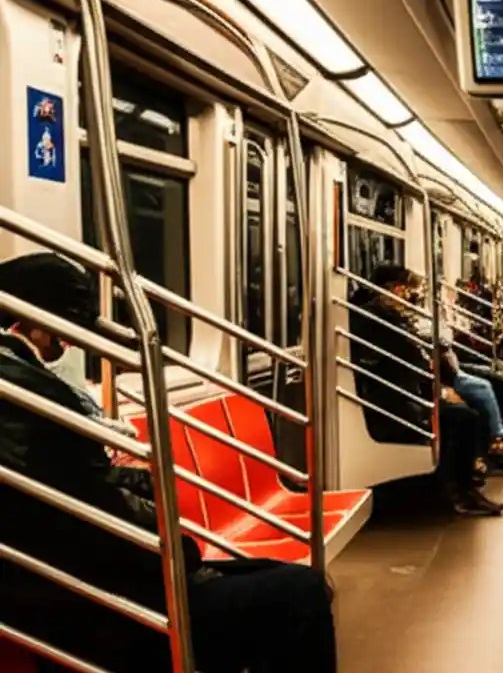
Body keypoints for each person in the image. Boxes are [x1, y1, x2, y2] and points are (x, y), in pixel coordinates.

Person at [0, 252, 337, 672]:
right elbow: (96, 508)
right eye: (66, 330)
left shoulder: (24, 389)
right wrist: (176, 540)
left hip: (74, 579)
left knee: (282, 580)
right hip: (93, 601)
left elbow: (81, 487)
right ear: (35, 322)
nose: (69, 343)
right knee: (301, 593)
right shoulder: (30, 400)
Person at [349, 265, 503, 513]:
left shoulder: (390, 316)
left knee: (466, 406)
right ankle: (462, 491)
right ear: (390, 289)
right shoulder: (380, 320)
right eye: (404, 289)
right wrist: (438, 392)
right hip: (393, 399)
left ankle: (465, 478)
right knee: (465, 417)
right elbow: (405, 362)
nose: (408, 295)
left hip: (407, 390)